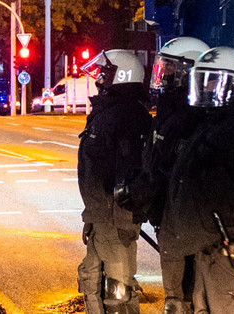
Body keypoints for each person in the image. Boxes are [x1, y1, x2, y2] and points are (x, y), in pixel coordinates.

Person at [159, 47, 234, 314]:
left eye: (213, 80)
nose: (207, 88)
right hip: (209, 251)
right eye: (202, 81)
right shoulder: (211, 125)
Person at [117, 36, 208, 314]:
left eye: (171, 68)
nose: (163, 74)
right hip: (168, 217)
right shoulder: (169, 113)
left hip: (186, 220)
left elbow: (171, 170)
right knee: (176, 297)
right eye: (163, 67)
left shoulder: (193, 117)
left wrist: (140, 191)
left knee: (189, 297)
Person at [77, 49, 152, 314]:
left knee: (118, 290)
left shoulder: (129, 115)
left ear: (120, 76)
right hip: (101, 217)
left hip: (115, 218)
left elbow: (132, 174)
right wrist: (92, 216)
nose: (98, 79)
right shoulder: (108, 112)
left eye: (103, 74)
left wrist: (120, 217)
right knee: (92, 279)